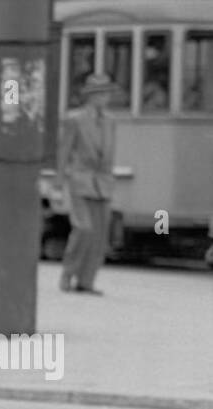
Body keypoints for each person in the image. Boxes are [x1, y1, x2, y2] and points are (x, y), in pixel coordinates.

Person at [56, 72, 117, 294]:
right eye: (101, 94)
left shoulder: (111, 121)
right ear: (90, 96)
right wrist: (58, 181)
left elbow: (109, 152)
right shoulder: (74, 119)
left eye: (107, 94)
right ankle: (68, 273)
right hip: (80, 180)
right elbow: (64, 151)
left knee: (100, 235)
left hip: (103, 182)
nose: (105, 98)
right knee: (83, 229)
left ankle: (86, 281)